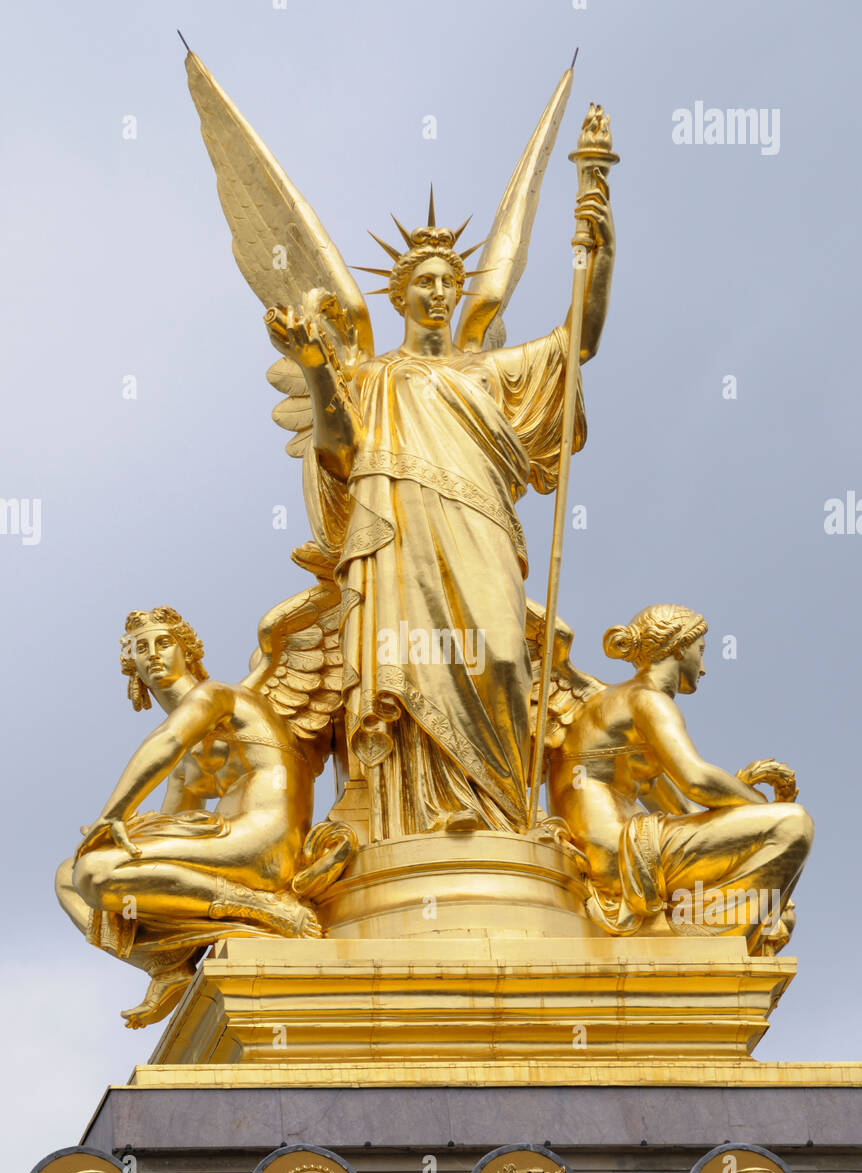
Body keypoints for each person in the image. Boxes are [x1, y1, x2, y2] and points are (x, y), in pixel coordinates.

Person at [274, 190, 615, 840]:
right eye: (423, 281)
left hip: (482, 529)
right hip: (398, 533)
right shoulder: (374, 376)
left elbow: (578, 344)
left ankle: (504, 817)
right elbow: (337, 452)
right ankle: (416, 822)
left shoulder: (490, 371)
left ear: (460, 293)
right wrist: (317, 367)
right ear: (398, 296)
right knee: (411, 663)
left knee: (502, 660)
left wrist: (597, 253)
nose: (437, 291)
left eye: (448, 282)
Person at [55, 605, 322, 1028]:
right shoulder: (185, 769)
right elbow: (155, 860)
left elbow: (169, 739)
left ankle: (265, 909)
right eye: (141, 648)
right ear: (132, 667)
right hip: (225, 846)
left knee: (94, 871)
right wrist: (130, 831)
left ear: (189, 652)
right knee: (73, 875)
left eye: (164, 643)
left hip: (265, 840)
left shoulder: (221, 696)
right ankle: (165, 963)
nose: (153, 654)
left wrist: (114, 814)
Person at [545, 604, 813, 946]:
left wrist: (742, 797)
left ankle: (698, 925)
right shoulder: (646, 700)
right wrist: (762, 806)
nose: (704, 668)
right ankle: (707, 933)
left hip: (613, 847)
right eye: (700, 651)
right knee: (793, 824)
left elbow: (686, 812)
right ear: (678, 647)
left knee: (780, 906)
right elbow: (697, 781)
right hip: (619, 851)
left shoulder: (616, 703)